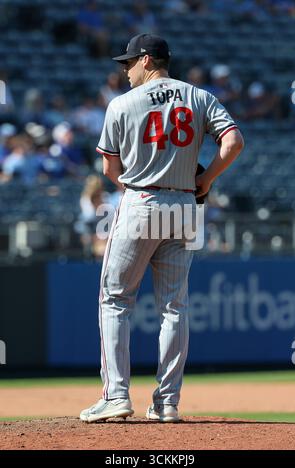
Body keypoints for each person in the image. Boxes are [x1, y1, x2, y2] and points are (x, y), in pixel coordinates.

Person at [80, 33, 244, 423]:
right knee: (174, 306)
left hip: (141, 200)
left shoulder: (122, 104)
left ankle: (116, 395)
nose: (126, 69)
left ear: (149, 60)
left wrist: (136, 192)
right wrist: (208, 180)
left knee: (116, 299)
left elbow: (109, 169)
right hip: (186, 204)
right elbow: (233, 142)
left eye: (130, 62)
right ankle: (167, 402)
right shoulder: (199, 97)